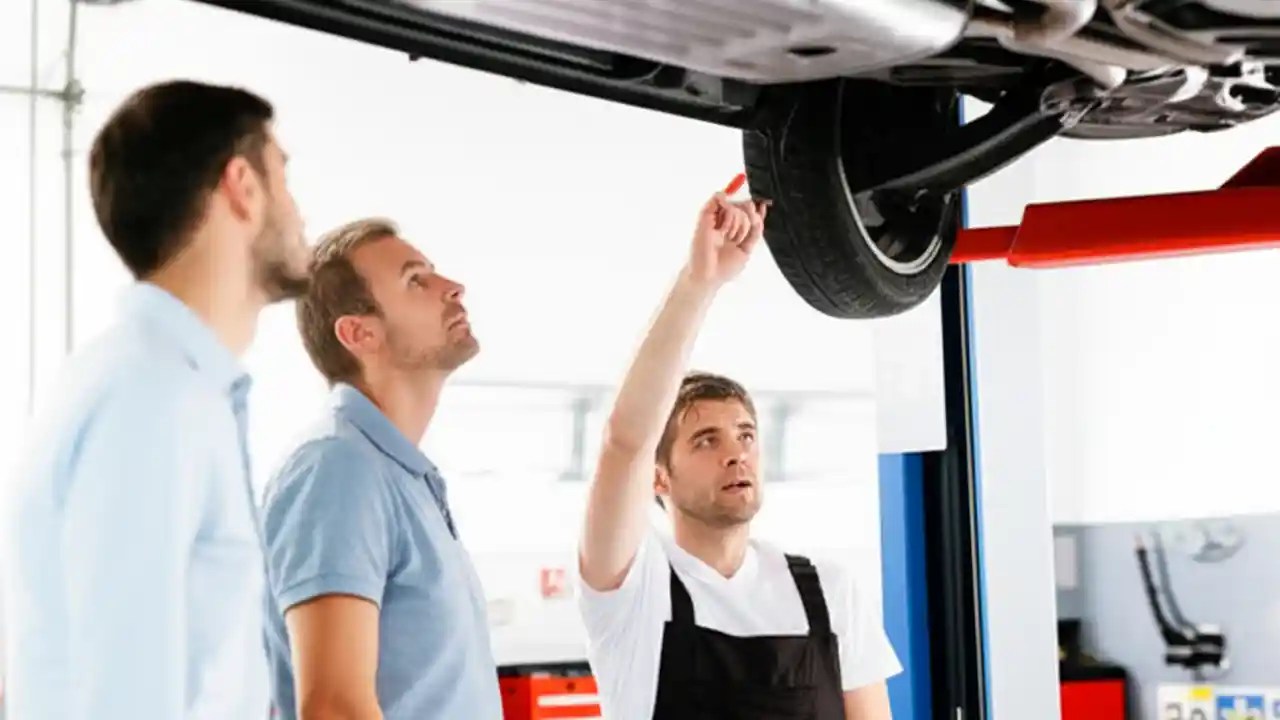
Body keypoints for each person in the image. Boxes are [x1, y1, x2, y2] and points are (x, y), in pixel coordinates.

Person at [1, 80, 310, 719]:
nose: (301, 213)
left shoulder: (163, 384)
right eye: (284, 179)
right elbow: (127, 698)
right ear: (242, 188)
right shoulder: (155, 396)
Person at [576, 190, 903, 720]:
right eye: (706, 440)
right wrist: (700, 282)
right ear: (658, 478)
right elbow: (624, 441)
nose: (736, 454)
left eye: (746, 435)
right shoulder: (634, 590)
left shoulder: (828, 591)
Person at [260, 218, 501, 719]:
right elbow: (334, 707)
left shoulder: (401, 478)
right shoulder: (337, 469)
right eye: (416, 280)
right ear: (358, 333)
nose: (452, 287)